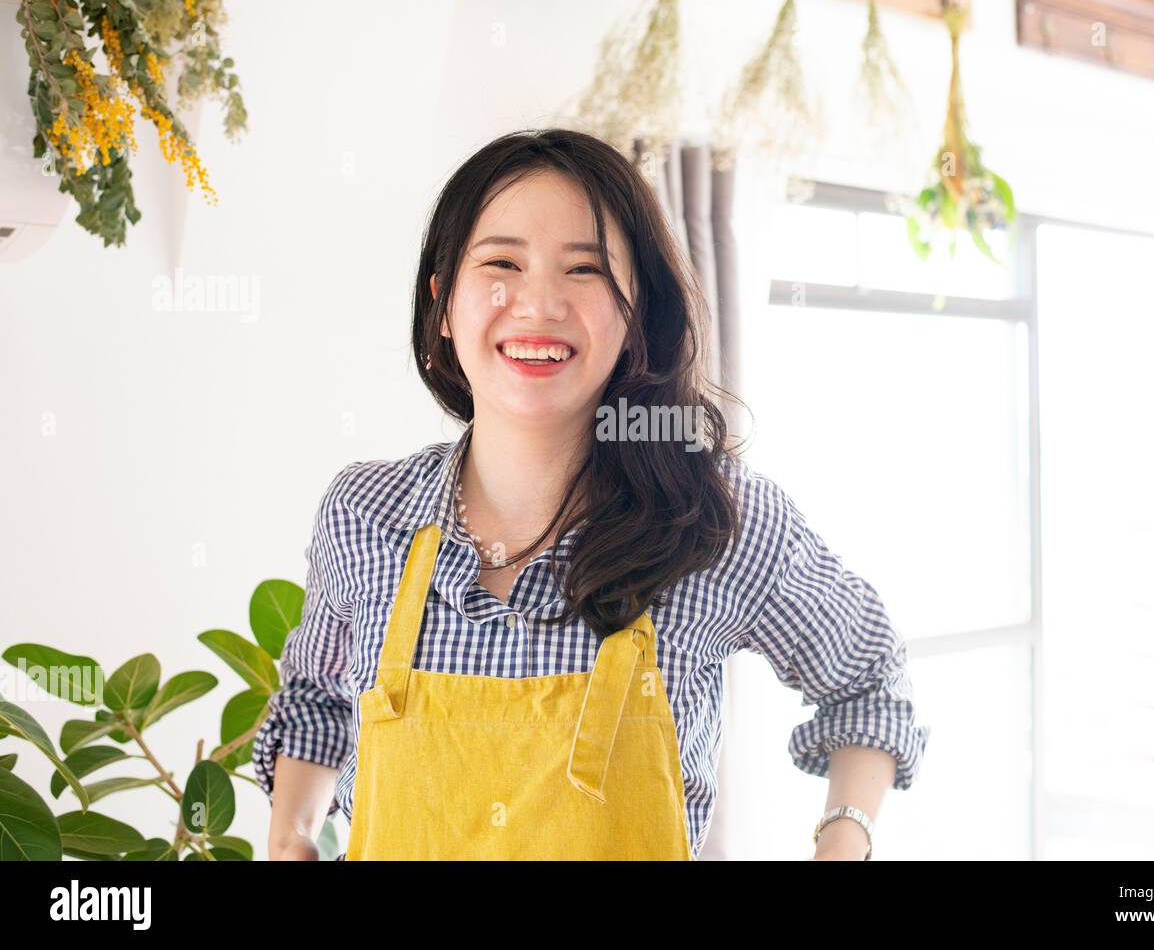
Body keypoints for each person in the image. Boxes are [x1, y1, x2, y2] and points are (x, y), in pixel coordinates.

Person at [252, 127, 929, 861]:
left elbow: (868, 679)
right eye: (502, 262)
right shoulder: (364, 513)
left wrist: (843, 835)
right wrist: (290, 833)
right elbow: (316, 701)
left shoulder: (710, 519)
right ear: (443, 304)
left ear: (637, 311)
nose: (539, 303)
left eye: (585, 270)